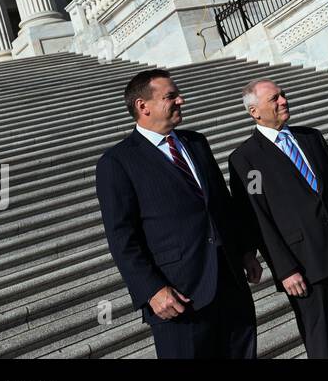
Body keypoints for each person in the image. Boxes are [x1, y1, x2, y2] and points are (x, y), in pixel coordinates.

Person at [95, 69, 261, 359]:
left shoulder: (196, 142)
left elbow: (221, 203)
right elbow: (122, 237)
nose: (181, 100)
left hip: (229, 282)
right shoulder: (117, 162)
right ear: (142, 106)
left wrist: (246, 252)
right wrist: (152, 290)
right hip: (178, 296)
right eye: (170, 96)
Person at [228, 79, 328, 359]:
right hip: (302, 266)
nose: (283, 101)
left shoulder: (311, 137)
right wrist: (284, 269)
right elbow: (258, 219)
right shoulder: (244, 158)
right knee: (323, 343)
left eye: (283, 95)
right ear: (254, 112)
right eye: (274, 99)